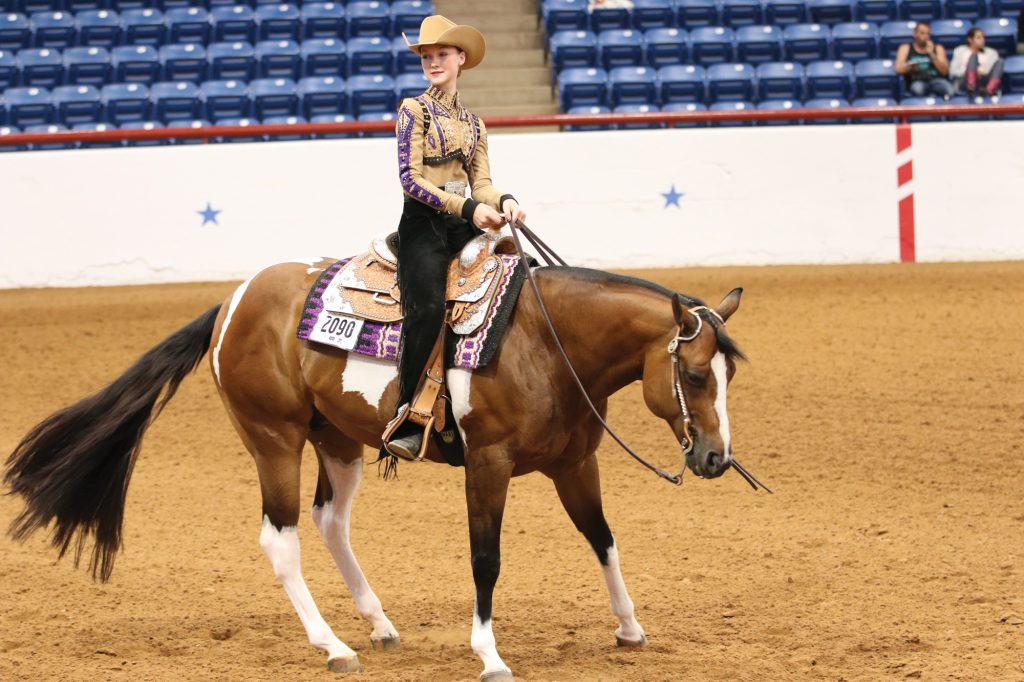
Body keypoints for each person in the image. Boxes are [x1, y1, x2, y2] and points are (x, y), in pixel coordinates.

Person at [383, 15, 527, 460]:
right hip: (423, 226)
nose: (433, 62)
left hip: (463, 222)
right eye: (427, 56)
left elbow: (481, 181)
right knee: (425, 308)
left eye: (441, 54)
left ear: (461, 59)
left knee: (517, 280)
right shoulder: (414, 110)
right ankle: (409, 414)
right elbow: (411, 179)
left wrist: (503, 201)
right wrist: (469, 208)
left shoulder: (474, 124)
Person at [895, 22, 954, 98]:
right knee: (918, 90)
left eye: (928, 34)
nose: (925, 37)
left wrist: (932, 54)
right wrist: (910, 68)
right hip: (917, 81)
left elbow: (945, 71)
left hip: (936, 80)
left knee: (950, 90)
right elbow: (898, 69)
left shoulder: (938, 48)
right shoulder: (905, 48)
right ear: (915, 34)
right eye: (922, 33)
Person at [950, 28, 1006, 97]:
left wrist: (981, 72)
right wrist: (970, 71)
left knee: (1000, 62)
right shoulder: (959, 51)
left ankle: (989, 90)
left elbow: (993, 72)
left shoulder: (992, 52)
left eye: (983, 37)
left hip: (984, 80)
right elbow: (953, 71)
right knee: (974, 56)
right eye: (979, 38)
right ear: (970, 39)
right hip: (965, 80)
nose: (982, 40)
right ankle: (971, 88)